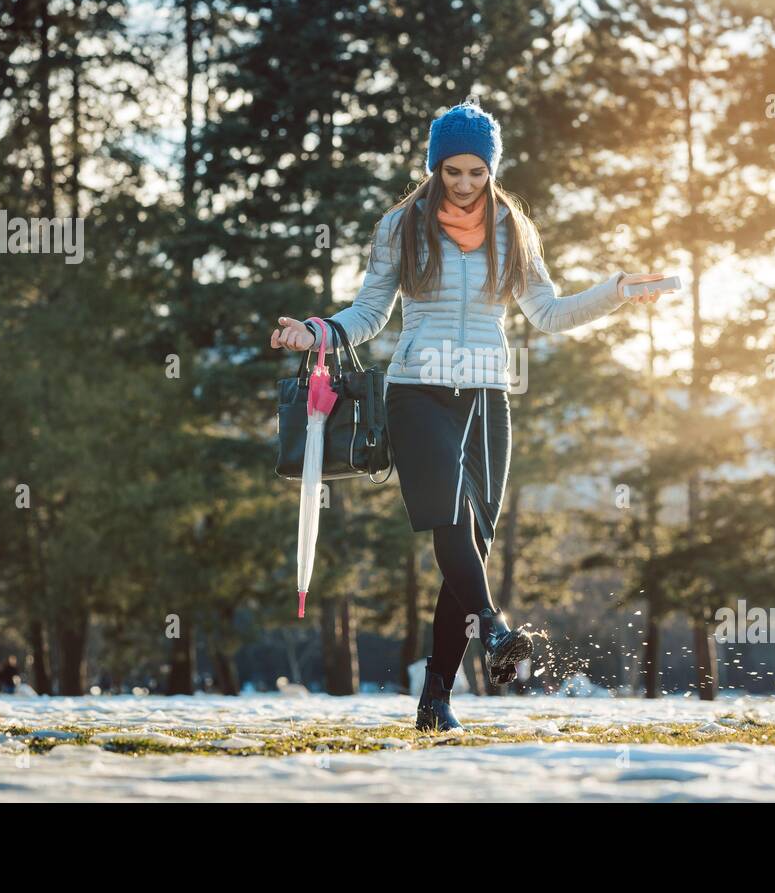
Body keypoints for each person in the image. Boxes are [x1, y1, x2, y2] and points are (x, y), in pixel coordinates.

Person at [270, 101, 669, 731]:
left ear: (491, 169)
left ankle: (435, 701)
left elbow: (548, 312)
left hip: (487, 398)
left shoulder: (514, 230)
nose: (463, 183)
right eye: (451, 170)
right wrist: (316, 331)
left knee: (472, 548)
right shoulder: (401, 225)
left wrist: (615, 292)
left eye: (475, 172)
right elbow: (370, 312)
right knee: (451, 523)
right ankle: (496, 633)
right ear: (433, 167)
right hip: (417, 391)